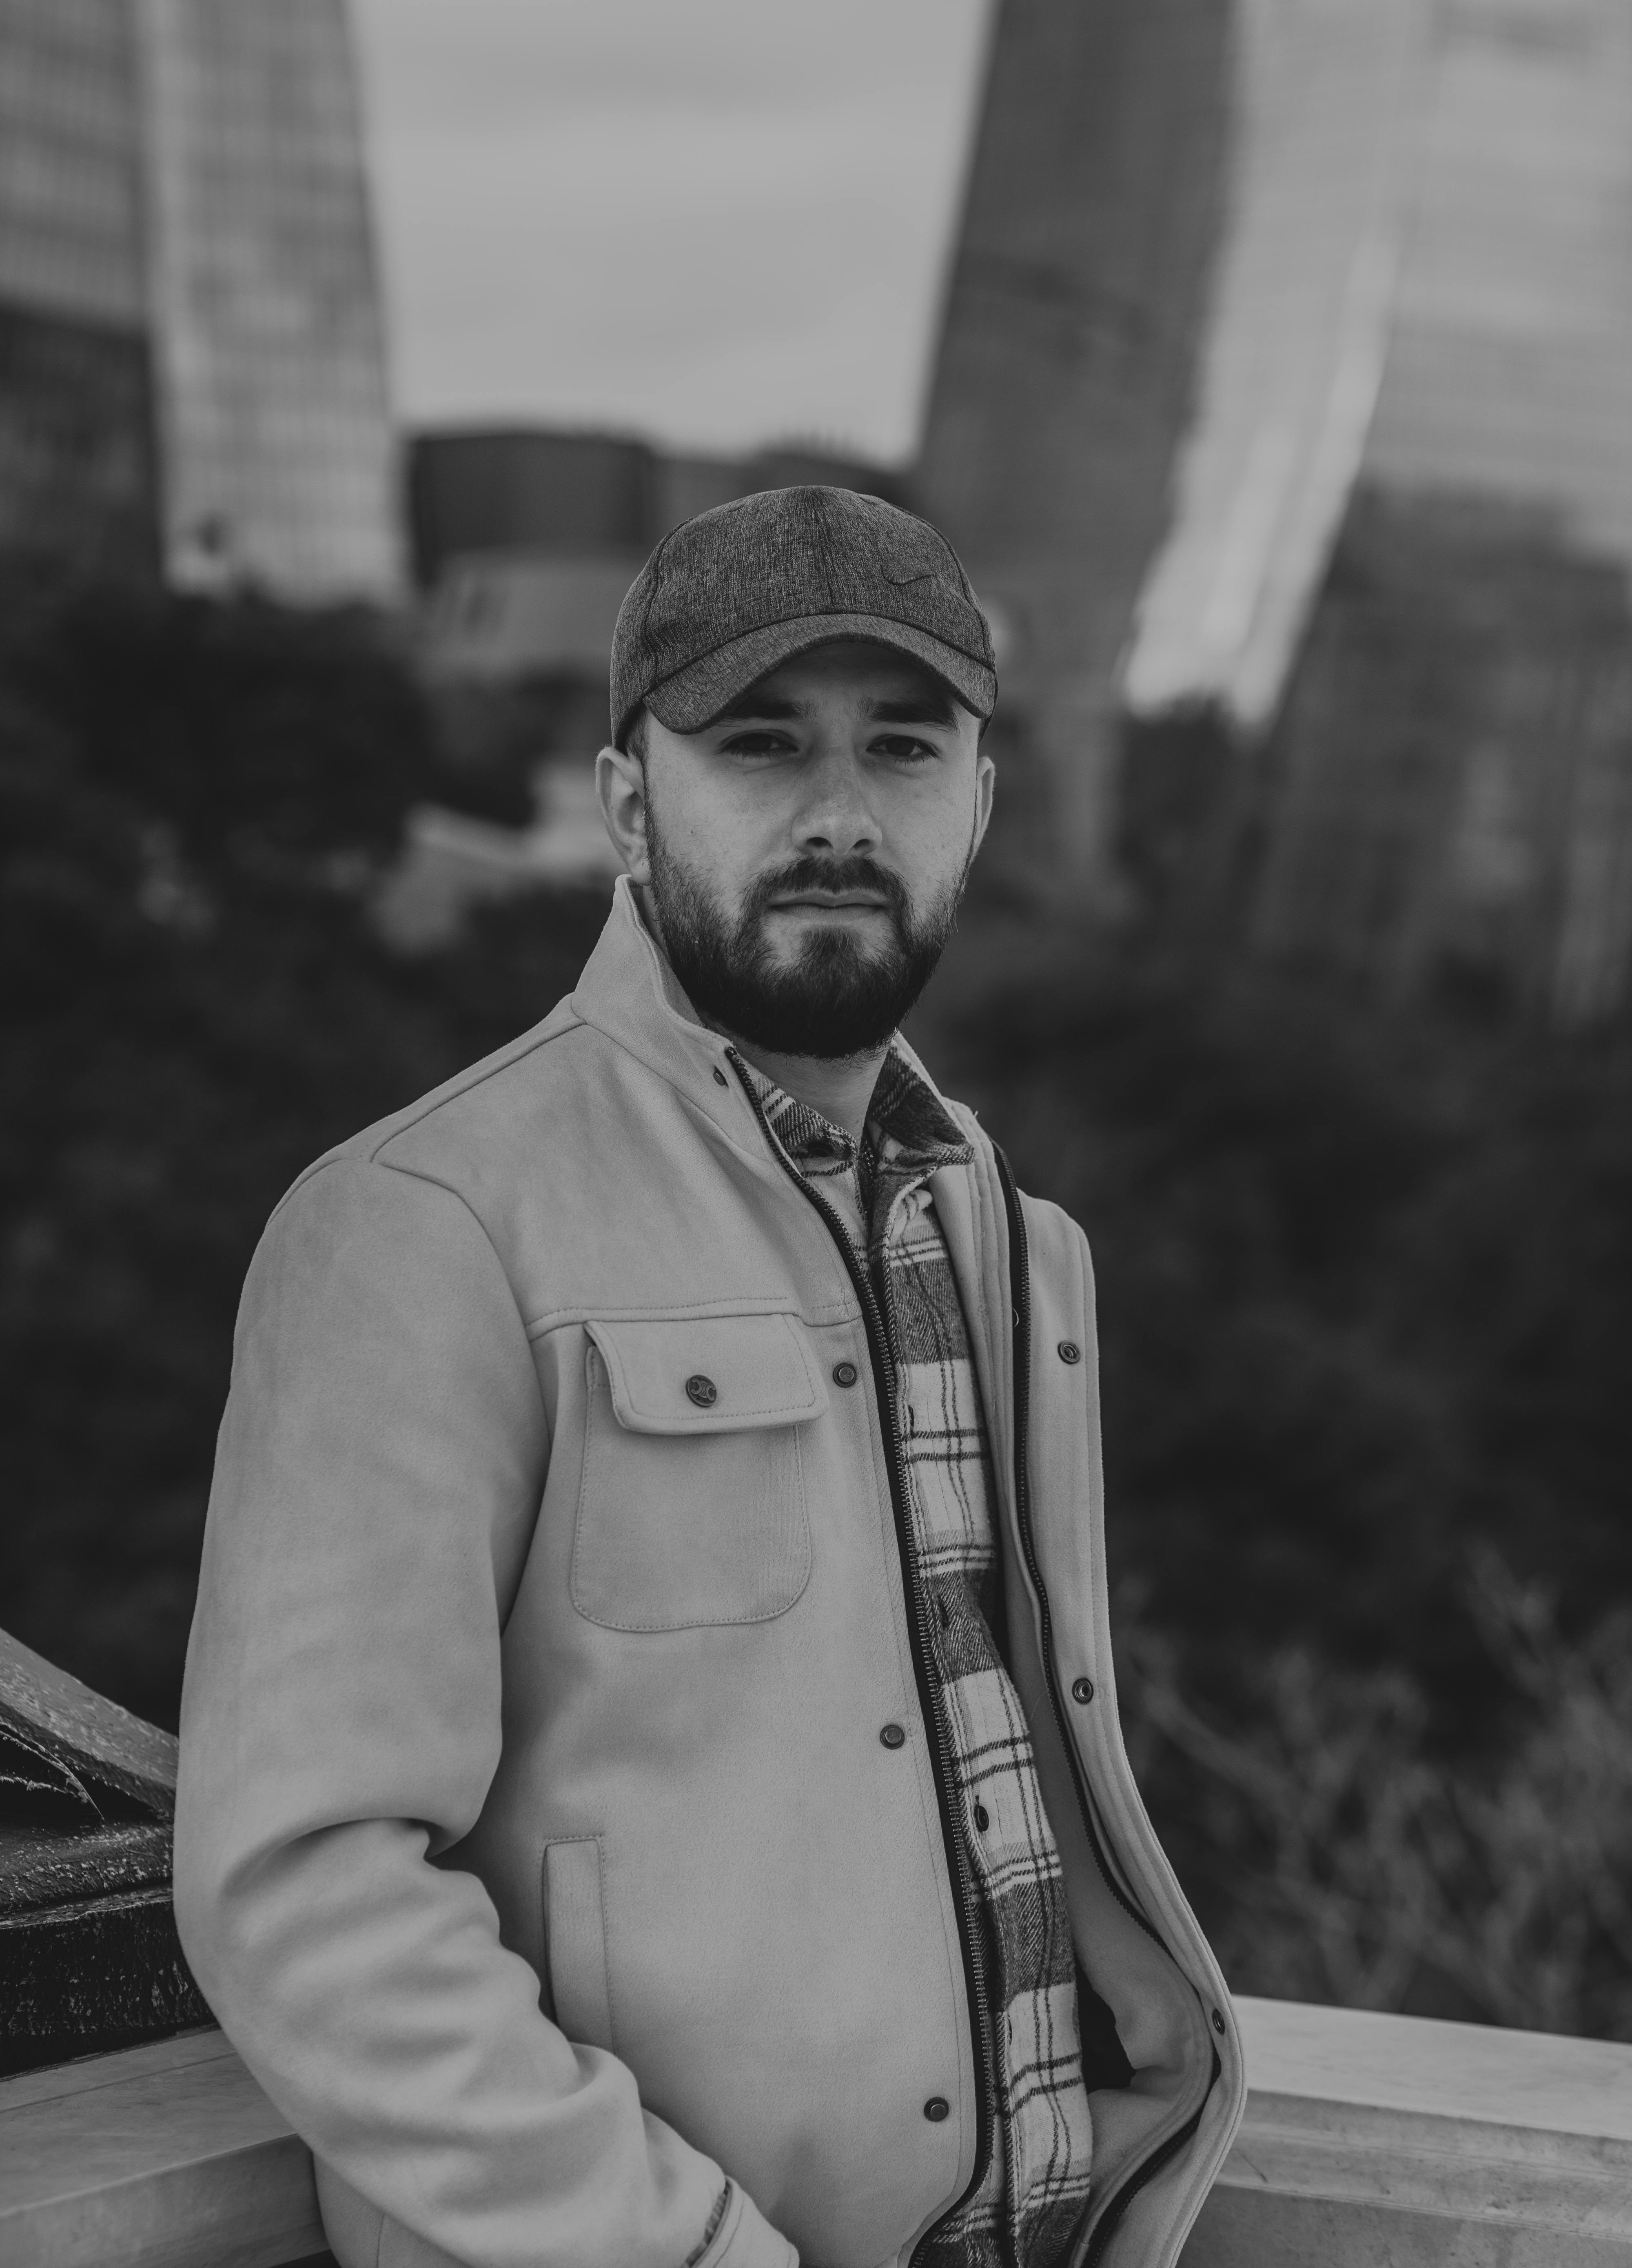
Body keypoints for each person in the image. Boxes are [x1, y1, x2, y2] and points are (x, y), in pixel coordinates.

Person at [175, 486, 1244, 2268]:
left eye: (902, 750)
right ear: (623, 803)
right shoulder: (422, 1224)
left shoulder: (1007, 1238)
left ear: (974, 805)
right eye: (758, 746)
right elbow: (306, 1890)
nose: (838, 813)